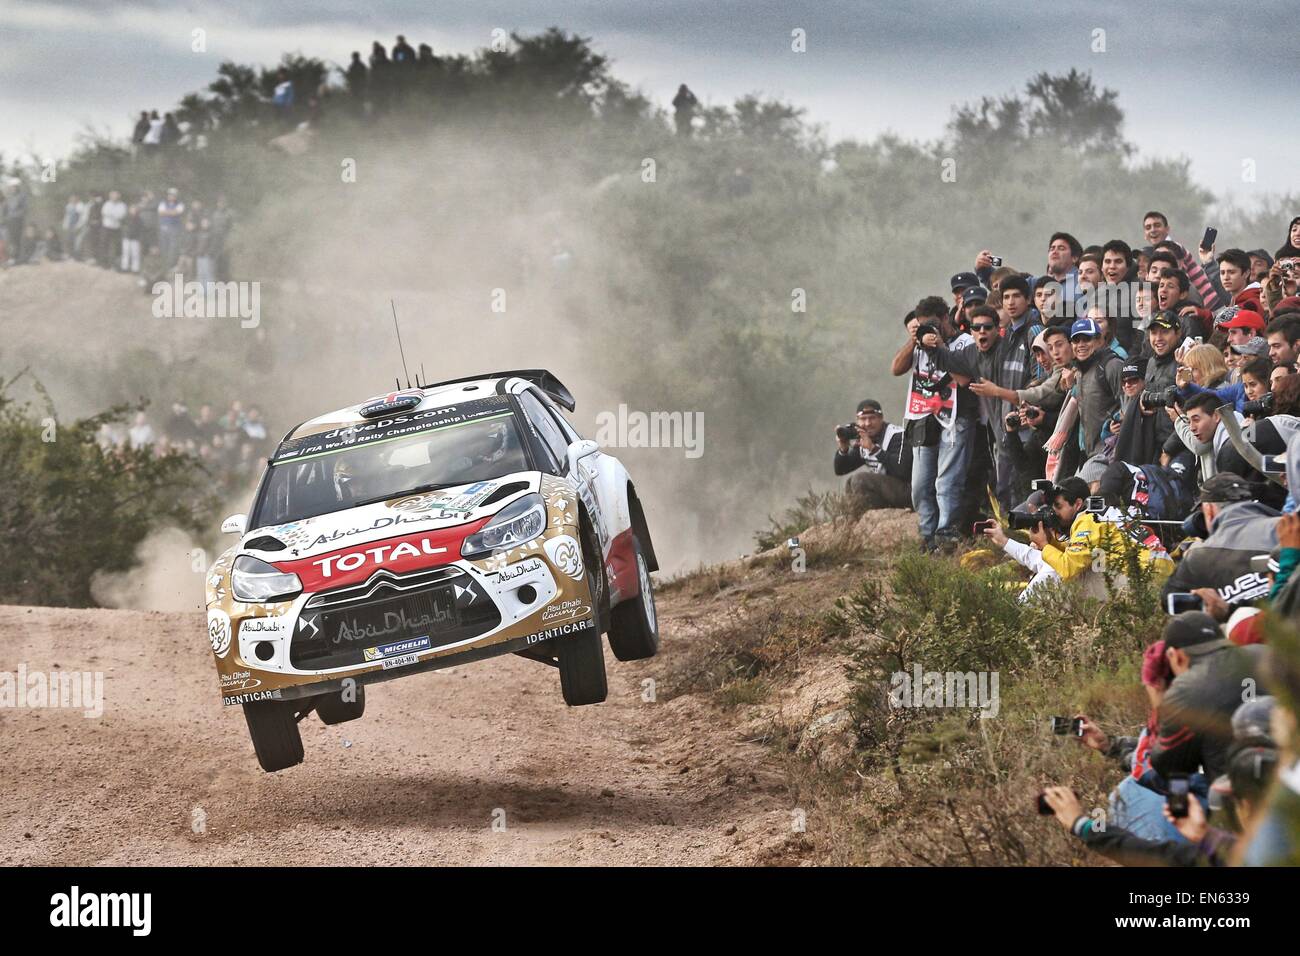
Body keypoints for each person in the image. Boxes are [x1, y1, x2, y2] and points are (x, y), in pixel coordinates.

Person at [891, 304, 977, 551]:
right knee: (919, 485)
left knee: (947, 481)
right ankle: (927, 535)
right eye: (923, 325)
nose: (929, 329)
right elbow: (896, 369)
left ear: (945, 318)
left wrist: (939, 347)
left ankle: (946, 534)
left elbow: (963, 379)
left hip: (956, 418)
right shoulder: (917, 345)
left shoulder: (965, 342)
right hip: (922, 418)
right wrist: (914, 341)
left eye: (933, 323)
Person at [1147, 611, 1271, 783]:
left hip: (1246, 797)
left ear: (1175, 656)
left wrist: (1158, 702)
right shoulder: (1267, 654)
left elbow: (1168, 765)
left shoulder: (1185, 690)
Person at [1163, 473, 1279, 613]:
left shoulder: (1198, 556)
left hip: (1239, 630)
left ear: (1209, 510)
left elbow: (1169, 602)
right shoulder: (1289, 528)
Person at [833, 399, 912, 511]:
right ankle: (864, 518)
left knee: (860, 479)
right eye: (863, 419)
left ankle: (879, 515)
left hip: (908, 491)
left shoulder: (897, 436)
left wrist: (873, 448)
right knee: (850, 483)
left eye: (872, 418)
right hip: (887, 491)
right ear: (857, 421)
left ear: (881, 418)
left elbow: (903, 470)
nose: (868, 423)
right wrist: (843, 449)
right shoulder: (863, 436)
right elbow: (841, 470)